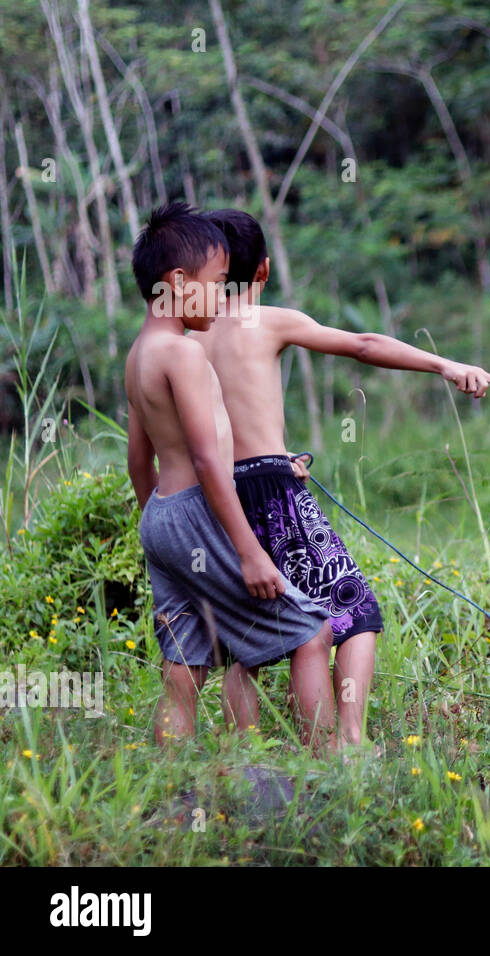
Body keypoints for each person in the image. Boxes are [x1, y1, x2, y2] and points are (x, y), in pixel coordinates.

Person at [193, 208, 490, 751]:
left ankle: (242, 754)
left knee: (244, 636)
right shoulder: (267, 319)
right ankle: (345, 741)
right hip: (273, 490)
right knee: (354, 609)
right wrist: (445, 365)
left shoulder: (188, 336)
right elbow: (363, 344)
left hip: (215, 495)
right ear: (263, 270)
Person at [124, 202, 336, 751]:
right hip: (196, 510)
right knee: (313, 632)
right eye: (217, 284)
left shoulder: (139, 354)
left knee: (184, 666)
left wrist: (160, 527)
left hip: (161, 518)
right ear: (178, 281)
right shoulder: (184, 355)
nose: (223, 297)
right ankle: (332, 768)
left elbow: (137, 459)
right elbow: (207, 460)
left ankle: (175, 787)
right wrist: (249, 551)